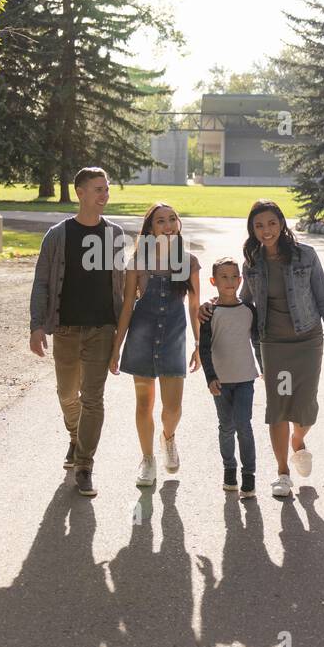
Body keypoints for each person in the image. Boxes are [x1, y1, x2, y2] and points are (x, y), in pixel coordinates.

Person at [199, 200, 324, 499]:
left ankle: (298, 440)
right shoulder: (253, 263)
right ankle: (282, 473)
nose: (265, 231)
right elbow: (243, 302)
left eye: (270, 223)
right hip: (273, 346)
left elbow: (323, 296)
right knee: (278, 408)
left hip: (308, 342)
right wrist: (213, 305)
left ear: (281, 223)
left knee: (304, 410)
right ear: (252, 230)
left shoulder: (306, 255)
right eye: (258, 226)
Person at [29, 167, 126, 498]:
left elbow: (123, 284)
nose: (104, 195)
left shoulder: (114, 235)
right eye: (98, 189)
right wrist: (36, 326)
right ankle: (75, 436)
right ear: (80, 192)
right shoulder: (58, 235)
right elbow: (42, 282)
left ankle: (85, 465)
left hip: (102, 328)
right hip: (66, 329)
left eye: (107, 189)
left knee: (93, 398)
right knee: (67, 393)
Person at [108, 202, 201, 487]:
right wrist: (116, 348)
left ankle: (168, 437)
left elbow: (195, 306)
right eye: (160, 221)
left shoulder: (189, 261)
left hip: (174, 338)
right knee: (144, 403)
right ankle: (147, 459)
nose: (168, 225)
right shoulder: (137, 261)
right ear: (150, 229)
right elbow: (127, 306)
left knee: (172, 409)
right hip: (142, 337)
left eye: (172, 219)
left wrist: (200, 344)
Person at [198, 256, 262, 500]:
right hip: (221, 382)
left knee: (244, 426)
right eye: (223, 277)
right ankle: (229, 471)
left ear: (240, 279)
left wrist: (263, 366)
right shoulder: (209, 313)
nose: (230, 281)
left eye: (234, 276)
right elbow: (204, 348)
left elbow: (256, 341)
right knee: (226, 427)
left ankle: (249, 476)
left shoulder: (248, 311)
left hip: (246, 377)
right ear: (214, 281)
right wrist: (210, 377)